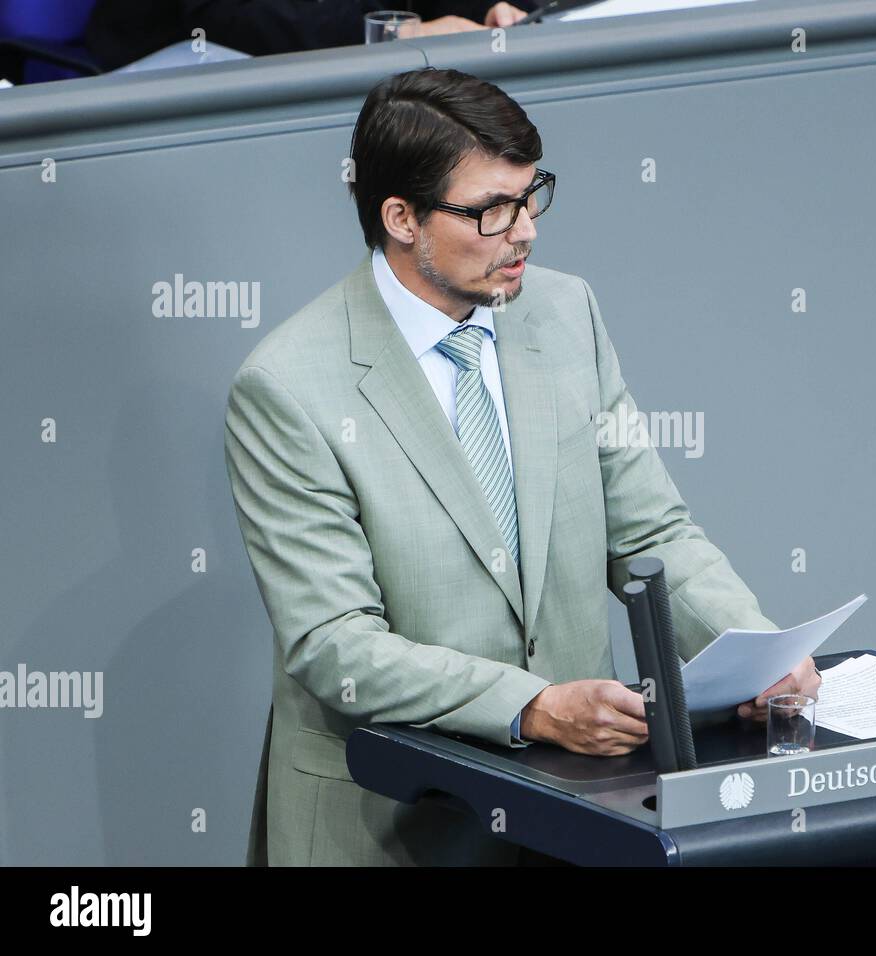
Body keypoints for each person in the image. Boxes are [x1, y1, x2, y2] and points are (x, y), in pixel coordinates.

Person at [223, 66, 821, 866]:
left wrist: (755, 653)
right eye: (491, 210)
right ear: (401, 218)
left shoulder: (565, 311)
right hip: (391, 826)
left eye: (530, 194)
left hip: (579, 810)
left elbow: (649, 528)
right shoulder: (290, 386)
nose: (526, 230)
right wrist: (532, 706)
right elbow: (336, 643)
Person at [86, 0, 530, 71]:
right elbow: (226, 19)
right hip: (178, 76)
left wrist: (485, 10)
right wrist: (397, 32)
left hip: (338, 69)